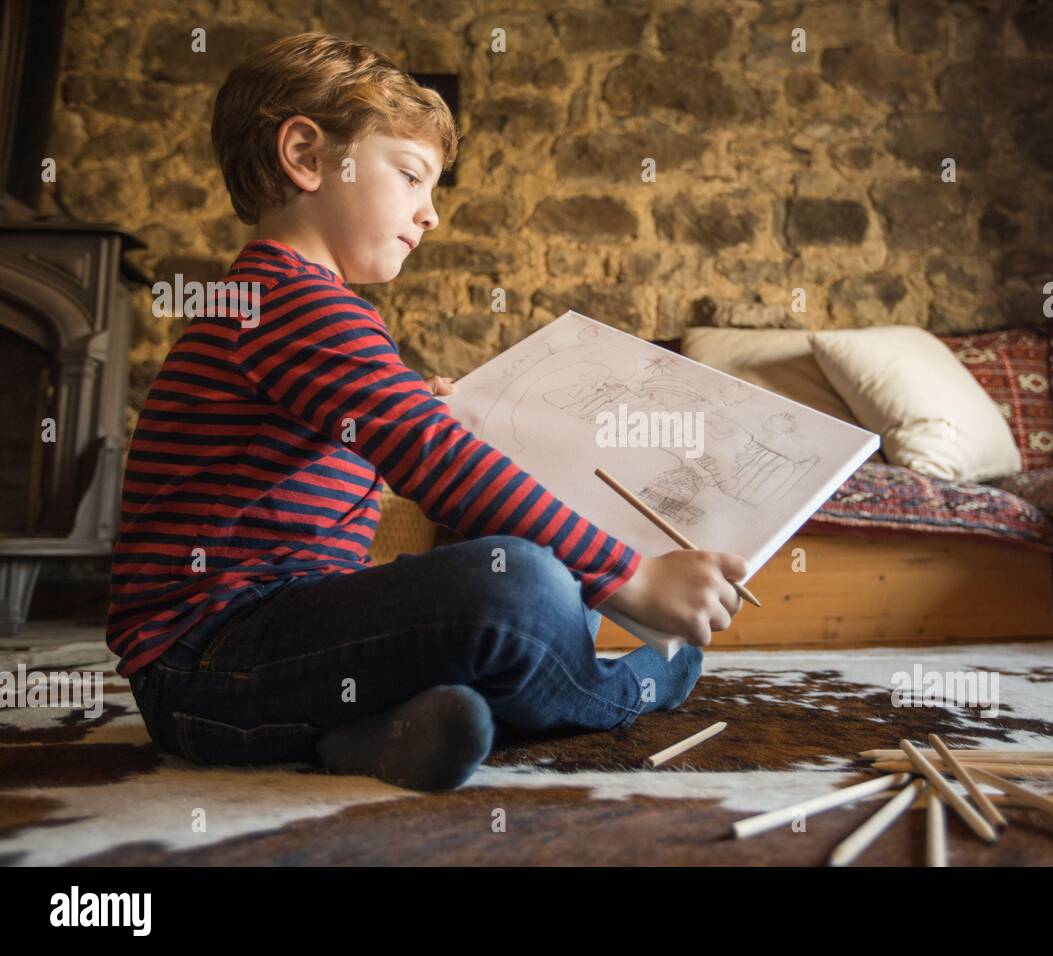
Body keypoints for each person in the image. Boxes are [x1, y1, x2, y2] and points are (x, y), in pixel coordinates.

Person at [109, 33, 747, 792]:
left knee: (528, 586)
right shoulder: (291, 300)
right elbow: (432, 458)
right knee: (525, 586)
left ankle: (369, 737)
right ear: (308, 157)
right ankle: (624, 690)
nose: (431, 214)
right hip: (205, 664)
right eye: (411, 176)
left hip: (266, 664)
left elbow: (388, 438)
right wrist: (629, 576)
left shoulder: (283, 306)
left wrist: (427, 407)